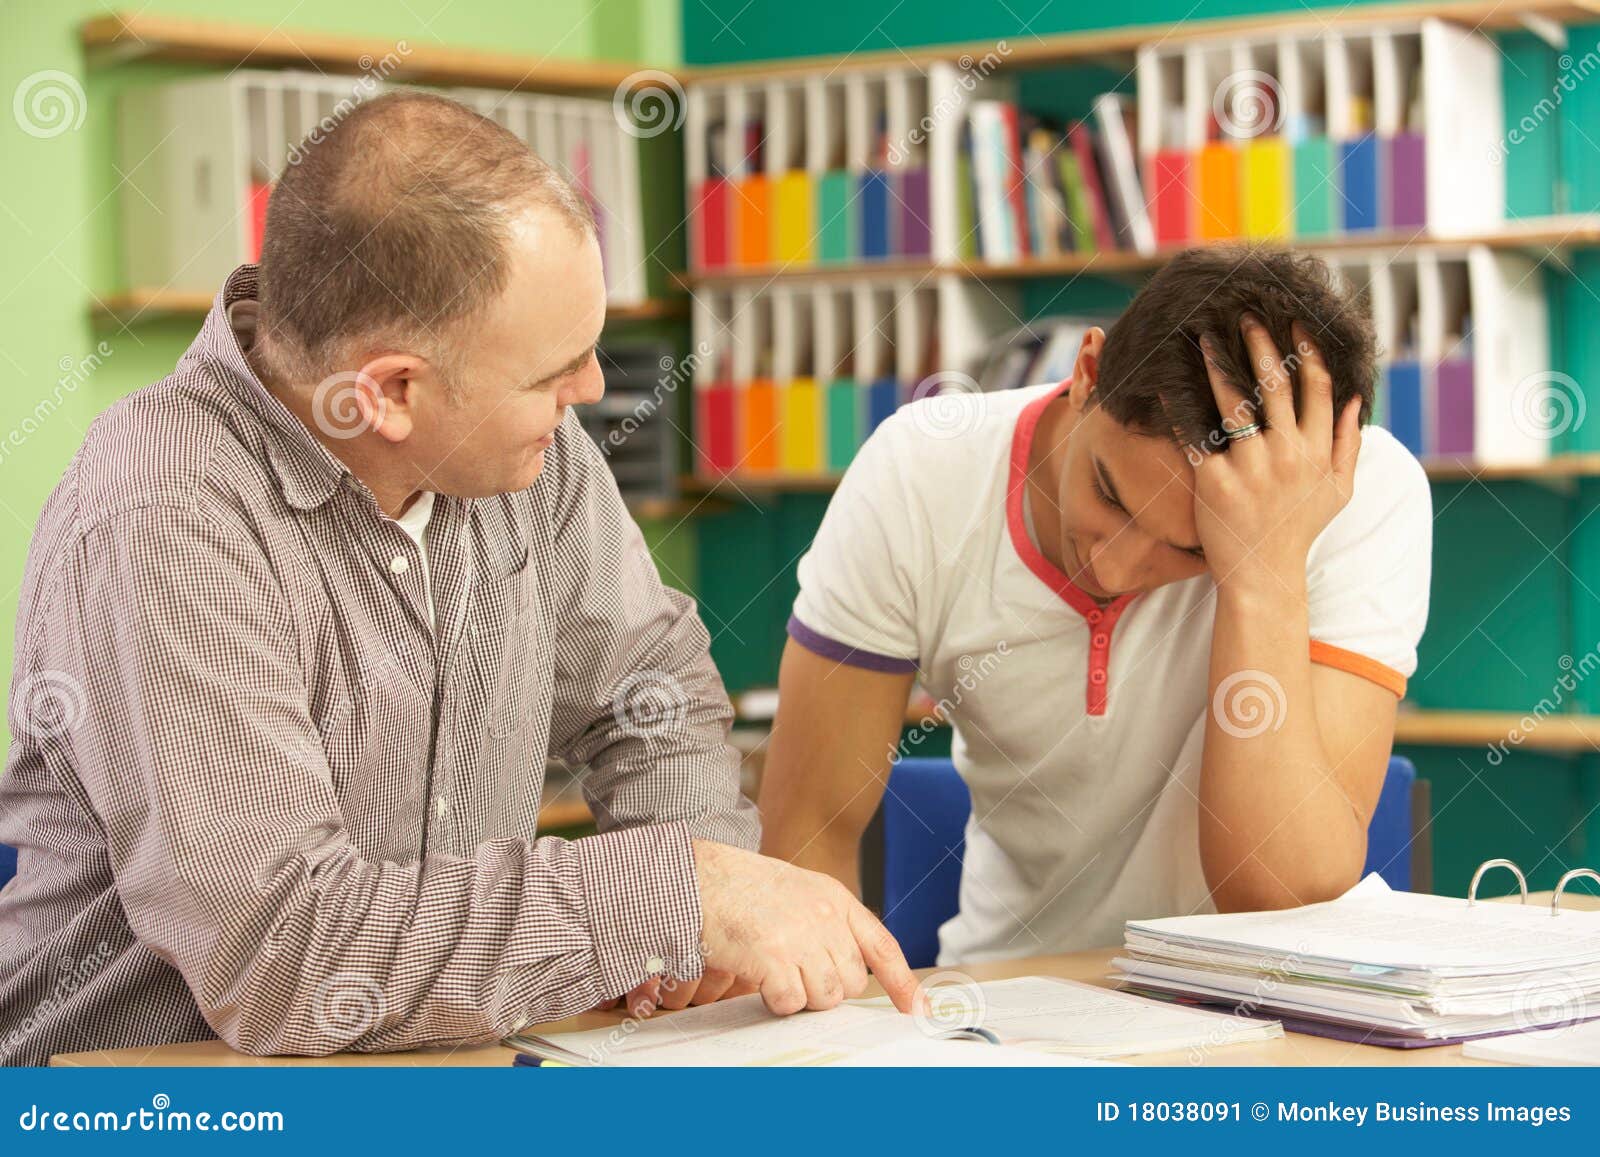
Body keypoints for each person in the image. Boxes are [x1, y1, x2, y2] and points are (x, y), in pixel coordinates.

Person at [0, 92, 913, 1067]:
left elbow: (645, 693)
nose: (593, 392)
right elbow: (287, 956)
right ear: (392, 391)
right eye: (551, 371)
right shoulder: (163, 523)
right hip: (138, 1100)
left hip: (442, 1071)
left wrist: (690, 919)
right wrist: (673, 891)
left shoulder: (529, 449)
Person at [760, 247, 1432, 964]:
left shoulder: (1362, 497)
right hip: (1006, 1002)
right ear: (1085, 373)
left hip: (1255, 1002)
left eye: (1190, 549)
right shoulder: (918, 474)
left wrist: (1262, 574)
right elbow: (803, 845)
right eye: (1108, 491)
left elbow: (1278, 888)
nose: (1112, 564)